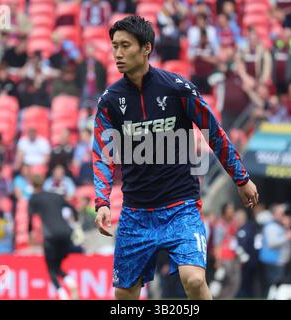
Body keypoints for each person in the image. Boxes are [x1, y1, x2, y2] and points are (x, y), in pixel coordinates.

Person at [93, 16, 259, 300]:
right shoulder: (110, 100)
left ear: (146, 48)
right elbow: (102, 154)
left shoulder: (177, 88)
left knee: (193, 280)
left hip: (180, 207)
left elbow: (214, 134)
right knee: (124, 293)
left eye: (125, 46)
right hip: (136, 213)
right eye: (114, 46)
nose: (117, 53)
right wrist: (102, 201)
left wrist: (241, 179)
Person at [28, 175, 79, 300]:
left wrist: (29, 233)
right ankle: (70, 281)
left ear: (32, 185)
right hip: (66, 234)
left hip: (51, 236)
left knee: (51, 268)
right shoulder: (55, 196)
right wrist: (75, 221)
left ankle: (63, 295)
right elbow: (73, 208)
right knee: (57, 266)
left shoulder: (34, 198)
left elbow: (30, 219)